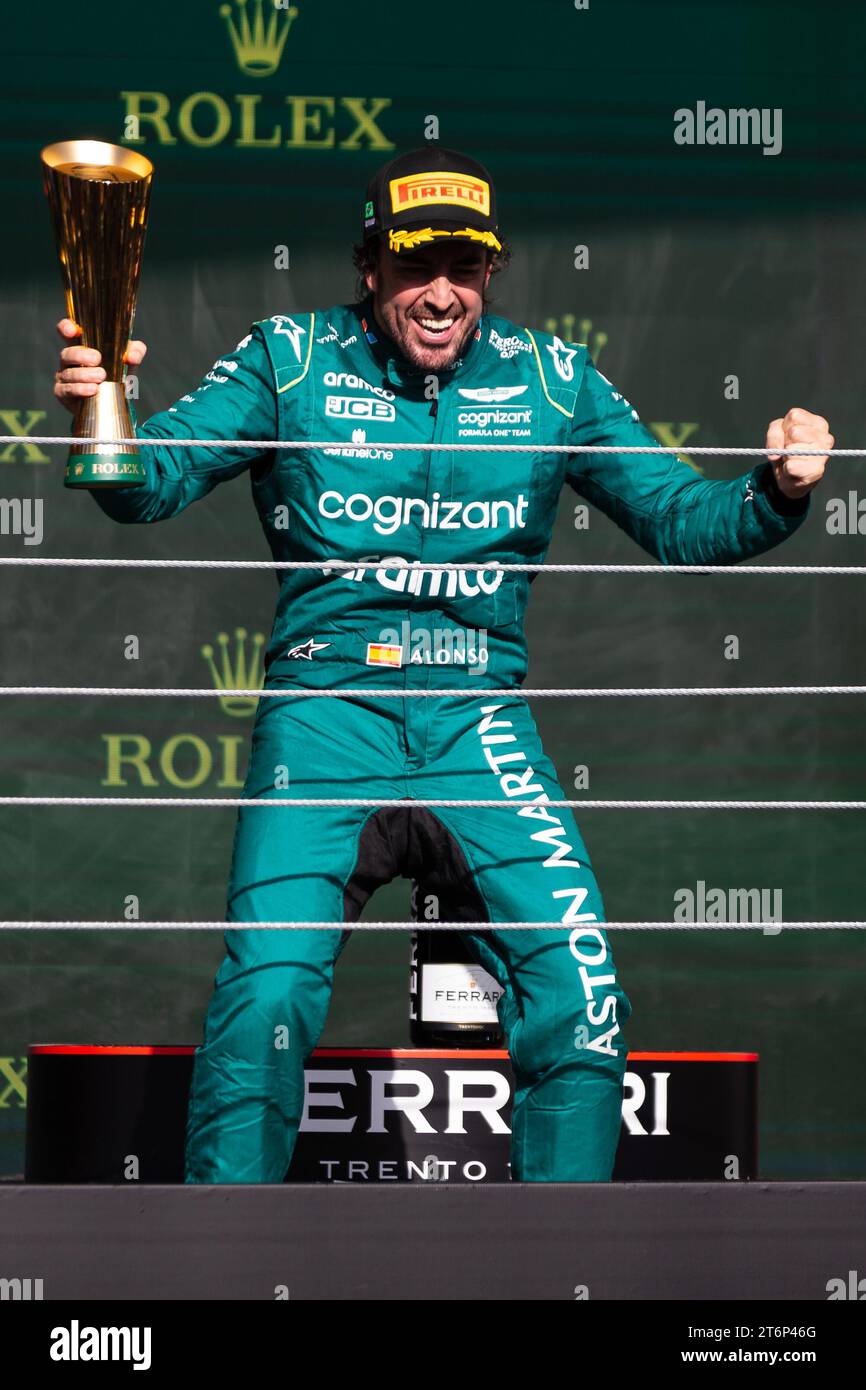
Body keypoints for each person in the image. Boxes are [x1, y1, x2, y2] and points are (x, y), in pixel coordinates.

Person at [54, 146, 833, 1183]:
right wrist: (101, 406)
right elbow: (140, 485)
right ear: (367, 265)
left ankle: (568, 1268)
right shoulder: (287, 358)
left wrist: (777, 487)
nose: (440, 293)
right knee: (269, 996)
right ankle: (222, 1267)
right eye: (417, 264)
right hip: (328, 722)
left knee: (580, 990)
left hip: (478, 724)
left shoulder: (552, 379)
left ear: (489, 274)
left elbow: (685, 521)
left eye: (464, 268)